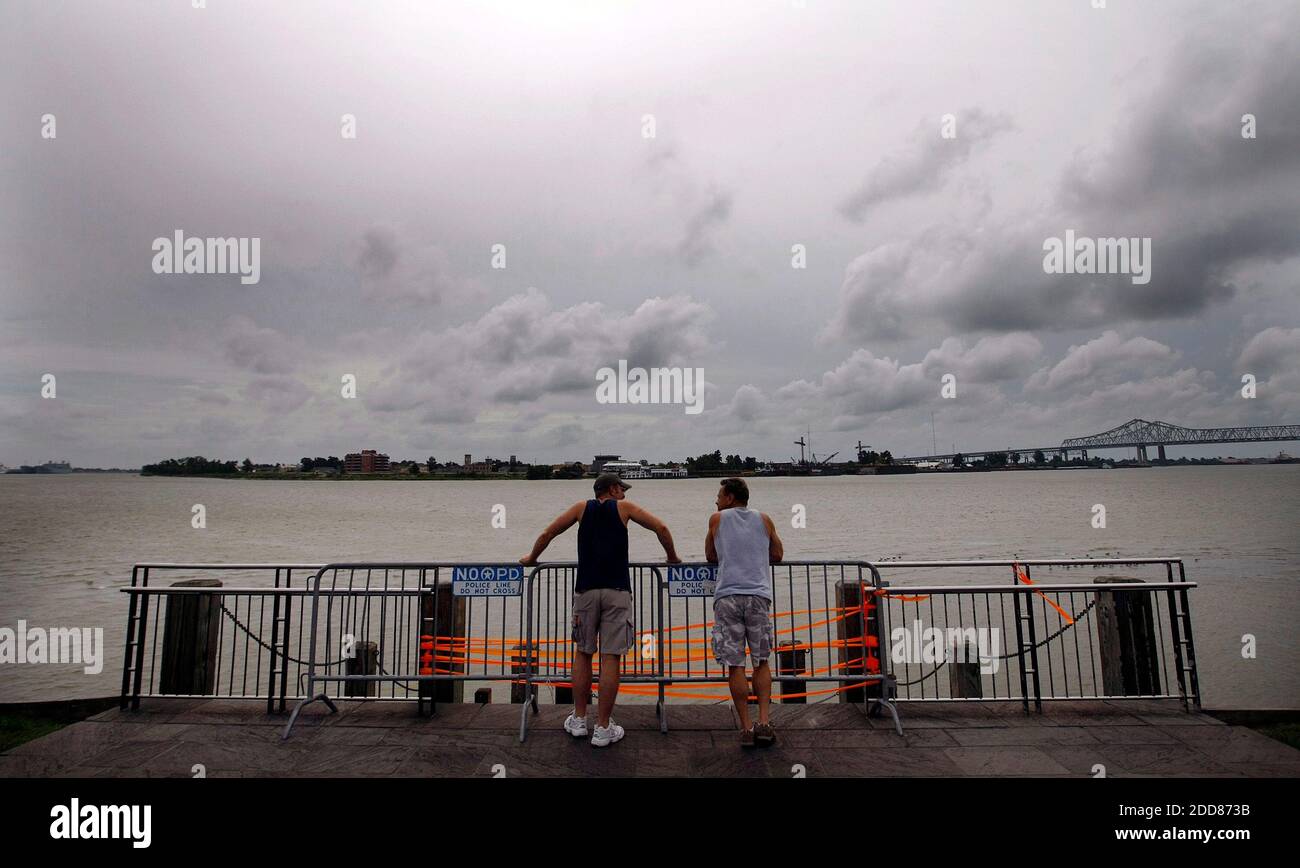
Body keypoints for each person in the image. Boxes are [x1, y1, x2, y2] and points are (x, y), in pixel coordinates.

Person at [520, 473, 680, 747]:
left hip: (586, 591)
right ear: (612, 488)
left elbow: (549, 532)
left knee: (583, 653)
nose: (625, 495)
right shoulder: (625, 509)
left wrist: (532, 558)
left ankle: (579, 719)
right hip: (617, 591)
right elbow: (661, 528)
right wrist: (672, 558)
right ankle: (603, 727)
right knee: (610, 658)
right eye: (622, 489)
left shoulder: (581, 508)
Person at [705, 477, 783, 748]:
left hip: (727, 596)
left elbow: (710, 556)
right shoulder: (765, 519)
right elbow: (778, 553)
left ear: (729, 498)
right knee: (761, 661)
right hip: (758, 595)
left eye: (719, 495)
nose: (716, 500)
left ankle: (746, 728)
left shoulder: (717, 519)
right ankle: (763, 722)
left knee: (735, 664)